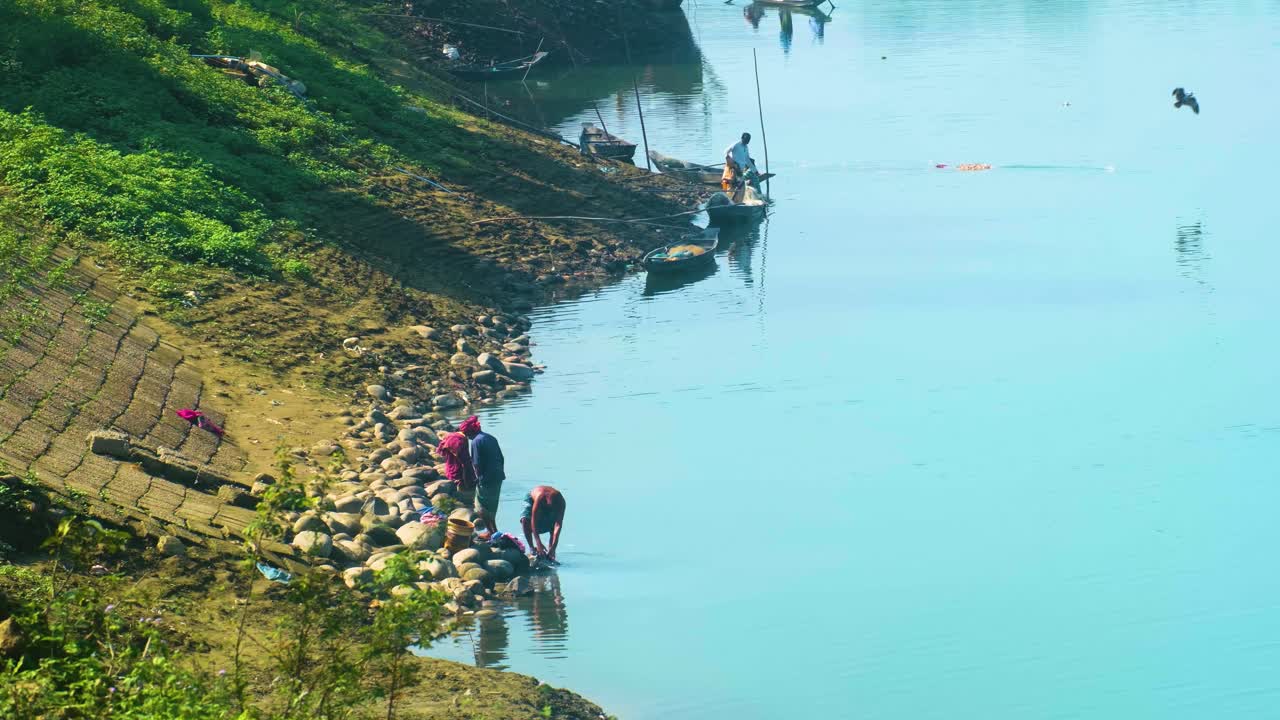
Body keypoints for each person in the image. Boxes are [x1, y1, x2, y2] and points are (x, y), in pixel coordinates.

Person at [460, 415, 505, 540]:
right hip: (498, 476)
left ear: (470, 431)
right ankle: (494, 531)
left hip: (486, 478)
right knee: (492, 506)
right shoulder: (490, 438)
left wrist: (477, 479)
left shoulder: (476, 441)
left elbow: (476, 463)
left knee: (480, 507)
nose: (466, 436)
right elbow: (501, 458)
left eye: (466, 433)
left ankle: (492, 532)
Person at [520, 485, 566, 564]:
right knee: (525, 520)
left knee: (553, 523)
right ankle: (532, 548)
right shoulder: (540, 498)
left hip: (549, 503)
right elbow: (533, 522)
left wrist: (553, 548)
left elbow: (558, 525)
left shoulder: (561, 502)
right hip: (533, 498)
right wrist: (538, 543)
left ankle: (551, 552)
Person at [435, 431, 477, 508]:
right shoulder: (457, 441)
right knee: (464, 496)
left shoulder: (454, 438)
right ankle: (464, 506)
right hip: (457, 472)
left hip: (453, 470)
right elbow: (464, 462)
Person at [721, 132, 759, 196]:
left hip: (740, 170)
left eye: (748, 140)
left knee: (739, 184)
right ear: (742, 138)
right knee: (732, 183)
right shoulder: (736, 144)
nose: (747, 141)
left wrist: (755, 171)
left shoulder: (746, 147)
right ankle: (728, 196)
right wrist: (730, 160)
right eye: (746, 140)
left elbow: (747, 160)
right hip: (734, 168)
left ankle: (734, 195)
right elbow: (726, 152)